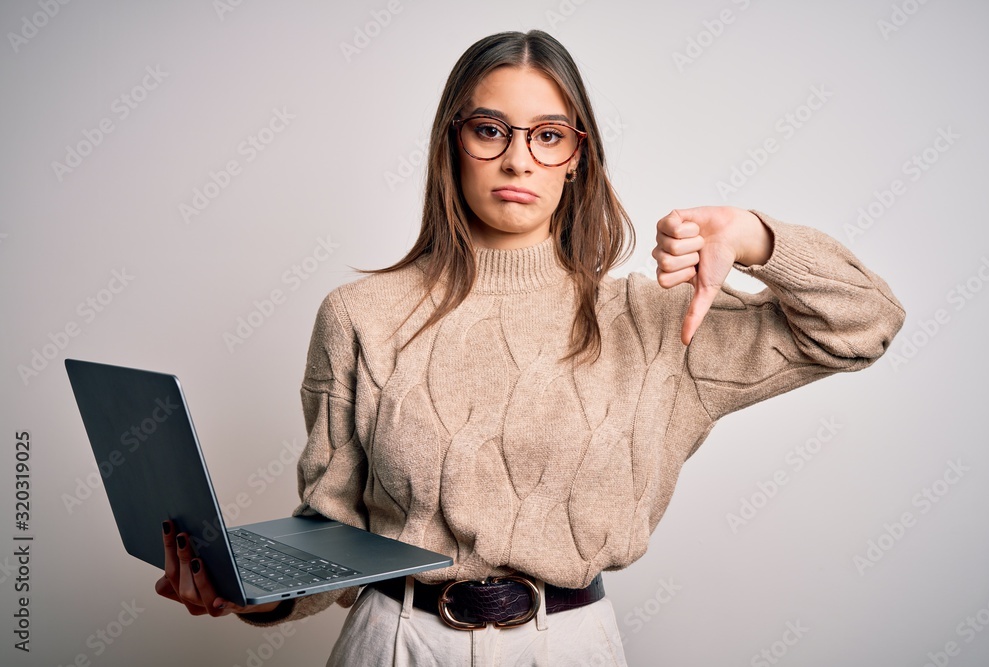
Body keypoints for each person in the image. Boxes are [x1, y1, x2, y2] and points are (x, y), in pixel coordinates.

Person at [155, 29, 905, 666]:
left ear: (577, 155)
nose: (519, 159)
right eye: (491, 129)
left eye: (548, 135)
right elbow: (334, 527)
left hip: (569, 644)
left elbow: (865, 323)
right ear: (454, 140)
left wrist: (756, 237)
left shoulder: (652, 319)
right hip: (396, 642)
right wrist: (243, 590)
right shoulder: (360, 314)